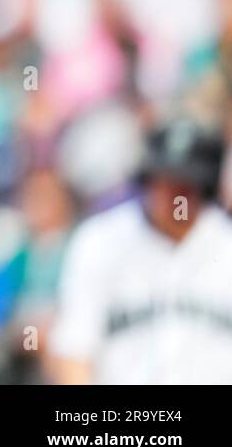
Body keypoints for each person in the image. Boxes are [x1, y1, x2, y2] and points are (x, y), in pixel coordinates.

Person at [49, 118, 232, 383]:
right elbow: (73, 354)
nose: (173, 197)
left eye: (185, 186)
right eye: (163, 183)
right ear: (146, 180)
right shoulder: (101, 239)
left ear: (206, 187)